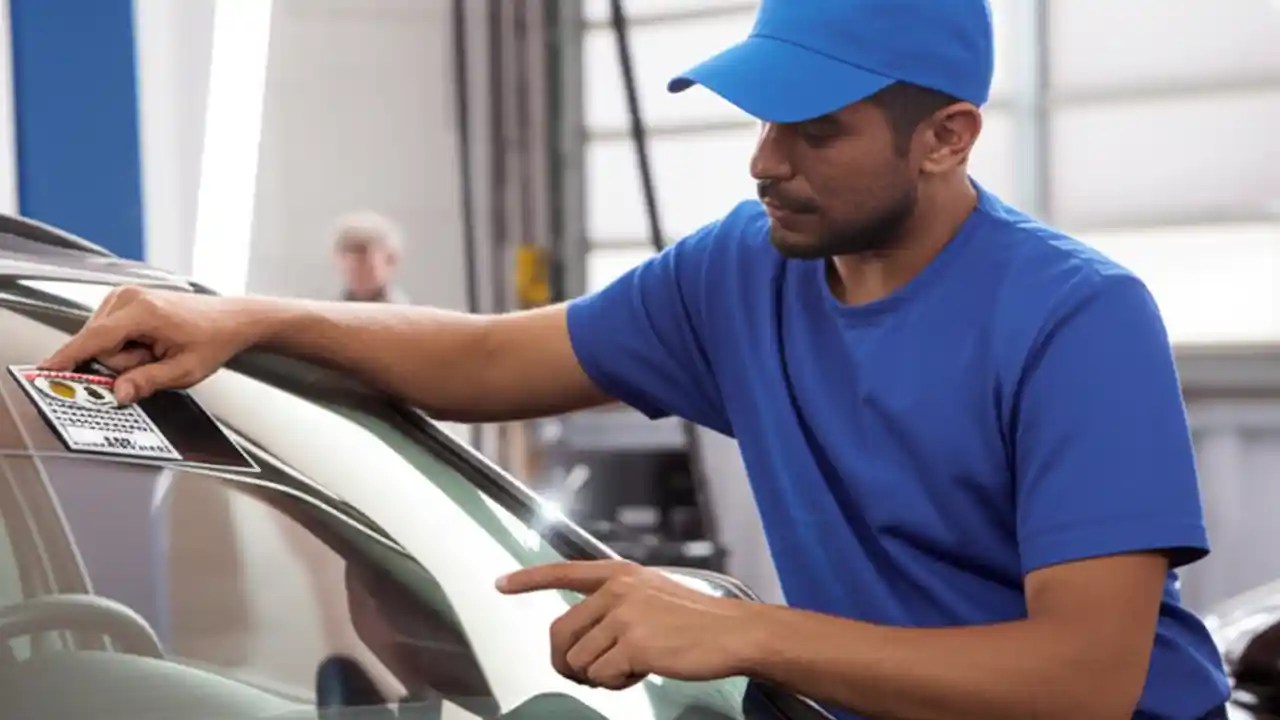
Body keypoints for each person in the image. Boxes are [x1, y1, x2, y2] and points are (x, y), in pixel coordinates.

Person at [41, 0, 1229, 717]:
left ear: (945, 138)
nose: (765, 161)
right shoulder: (742, 268)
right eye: (760, 119)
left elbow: (1077, 682)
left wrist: (740, 628)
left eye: (815, 130)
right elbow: (494, 358)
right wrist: (250, 320)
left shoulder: (1075, 320)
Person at [330, 211, 410, 304]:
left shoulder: (408, 314)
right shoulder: (326, 313)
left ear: (390, 260)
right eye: (347, 250)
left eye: (363, 251)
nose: (354, 261)